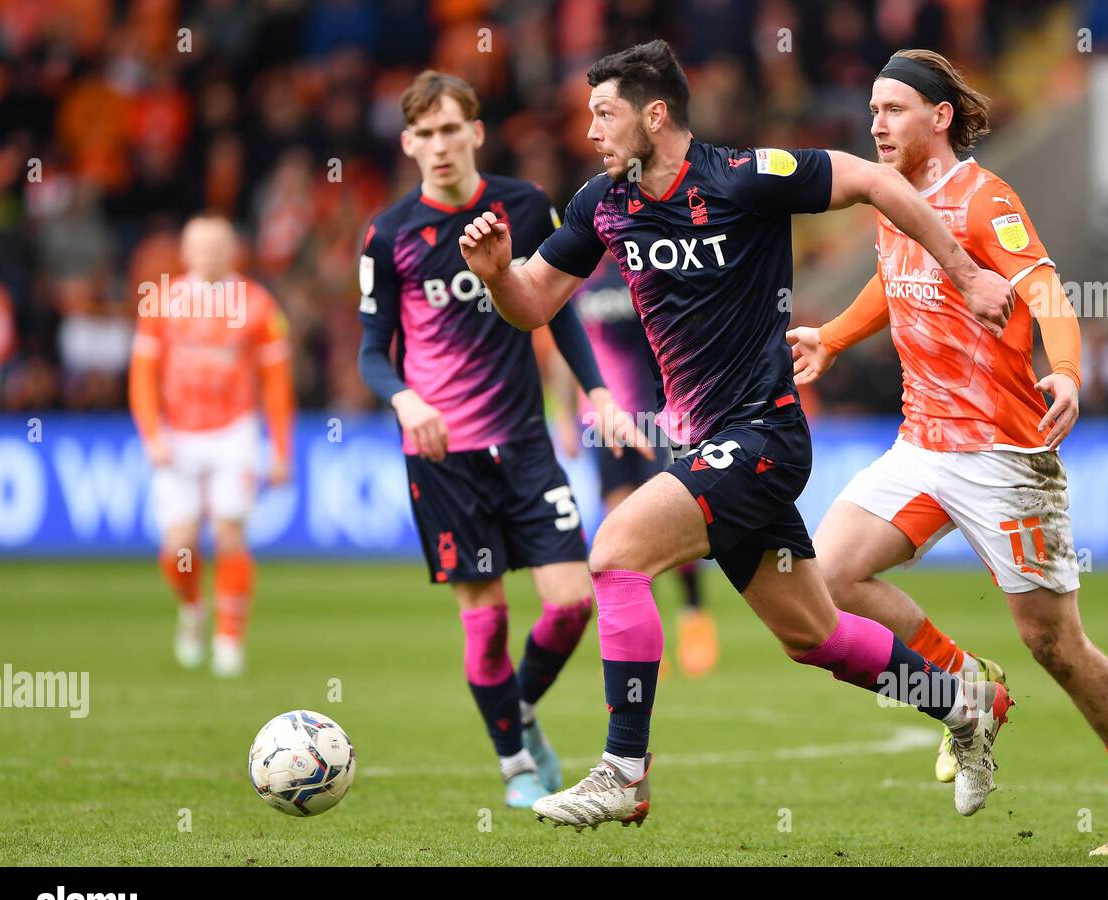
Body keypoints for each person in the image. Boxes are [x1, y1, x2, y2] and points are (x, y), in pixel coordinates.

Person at [459, 40, 1018, 830]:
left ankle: (624, 770)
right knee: (814, 635)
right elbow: (533, 304)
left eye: (605, 114)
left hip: (763, 438)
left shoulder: (745, 177)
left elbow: (873, 181)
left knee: (615, 555)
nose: (592, 130)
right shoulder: (600, 204)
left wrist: (964, 273)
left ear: (656, 115)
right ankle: (965, 702)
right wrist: (494, 274)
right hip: (708, 449)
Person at [787, 49, 1108, 856]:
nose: (875, 123)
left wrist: (1064, 370)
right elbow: (892, 282)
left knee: (1055, 645)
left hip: (1003, 453)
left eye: (893, 108)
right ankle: (968, 683)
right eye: (871, 109)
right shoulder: (893, 200)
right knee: (826, 578)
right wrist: (830, 335)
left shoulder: (984, 198)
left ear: (938, 117)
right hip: (922, 442)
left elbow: (1045, 288)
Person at [357, 71, 647, 808]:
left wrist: (601, 395)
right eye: (423, 133)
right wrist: (404, 398)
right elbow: (370, 349)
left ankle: (514, 709)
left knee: (573, 602)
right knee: (484, 620)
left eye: (451, 128)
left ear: (476, 132)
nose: (439, 144)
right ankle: (517, 761)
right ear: (407, 144)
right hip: (443, 454)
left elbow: (558, 310)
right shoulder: (389, 234)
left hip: (522, 443)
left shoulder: (521, 206)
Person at [129, 213, 294, 678]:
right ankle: (193, 607)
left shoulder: (258, 304)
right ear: (185, 253)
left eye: (218, 247)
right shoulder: (161, 302)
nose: (209, 255)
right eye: (199, 247)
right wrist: (152, 434)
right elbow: (143, 375)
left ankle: (229, 639)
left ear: (233, 251)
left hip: (233, 432)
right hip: (178, 434)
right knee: (178, 546)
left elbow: (276, 383)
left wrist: (281, 449)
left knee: (229, 533)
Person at [550, 253, 719, 678]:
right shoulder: (578, 279)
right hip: (603, 423)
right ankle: (648, 635)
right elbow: (564, 351)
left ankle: (694, 615)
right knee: (622, 530)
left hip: (659, 418)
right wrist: (564, 419)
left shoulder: (650, 267)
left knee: (672, 525)